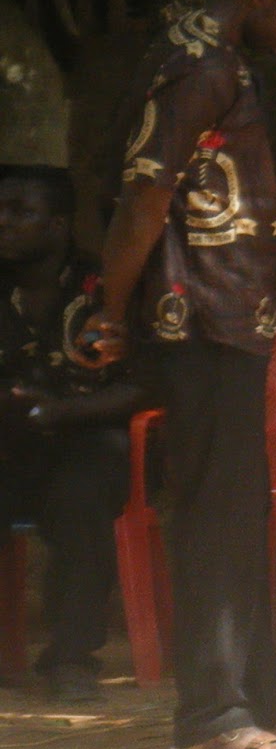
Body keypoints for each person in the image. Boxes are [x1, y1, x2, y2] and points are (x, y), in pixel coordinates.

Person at [79, 0, 276, 749]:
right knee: (209, 518)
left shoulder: (217, 56)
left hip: (232, 317)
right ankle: (212, 715)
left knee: (239, 512)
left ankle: (261, 692)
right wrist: (110, 310)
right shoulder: (198, 68)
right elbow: (143, 199)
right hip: (194, 321)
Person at [0, 165, 141, 701]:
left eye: (21, 212)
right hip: (6, 444)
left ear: (58, 225)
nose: (3, 223)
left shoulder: (107, 289)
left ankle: (71, 659)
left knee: (82, 498)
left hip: (85, 438)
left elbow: (146, 385)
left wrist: (57, 413)